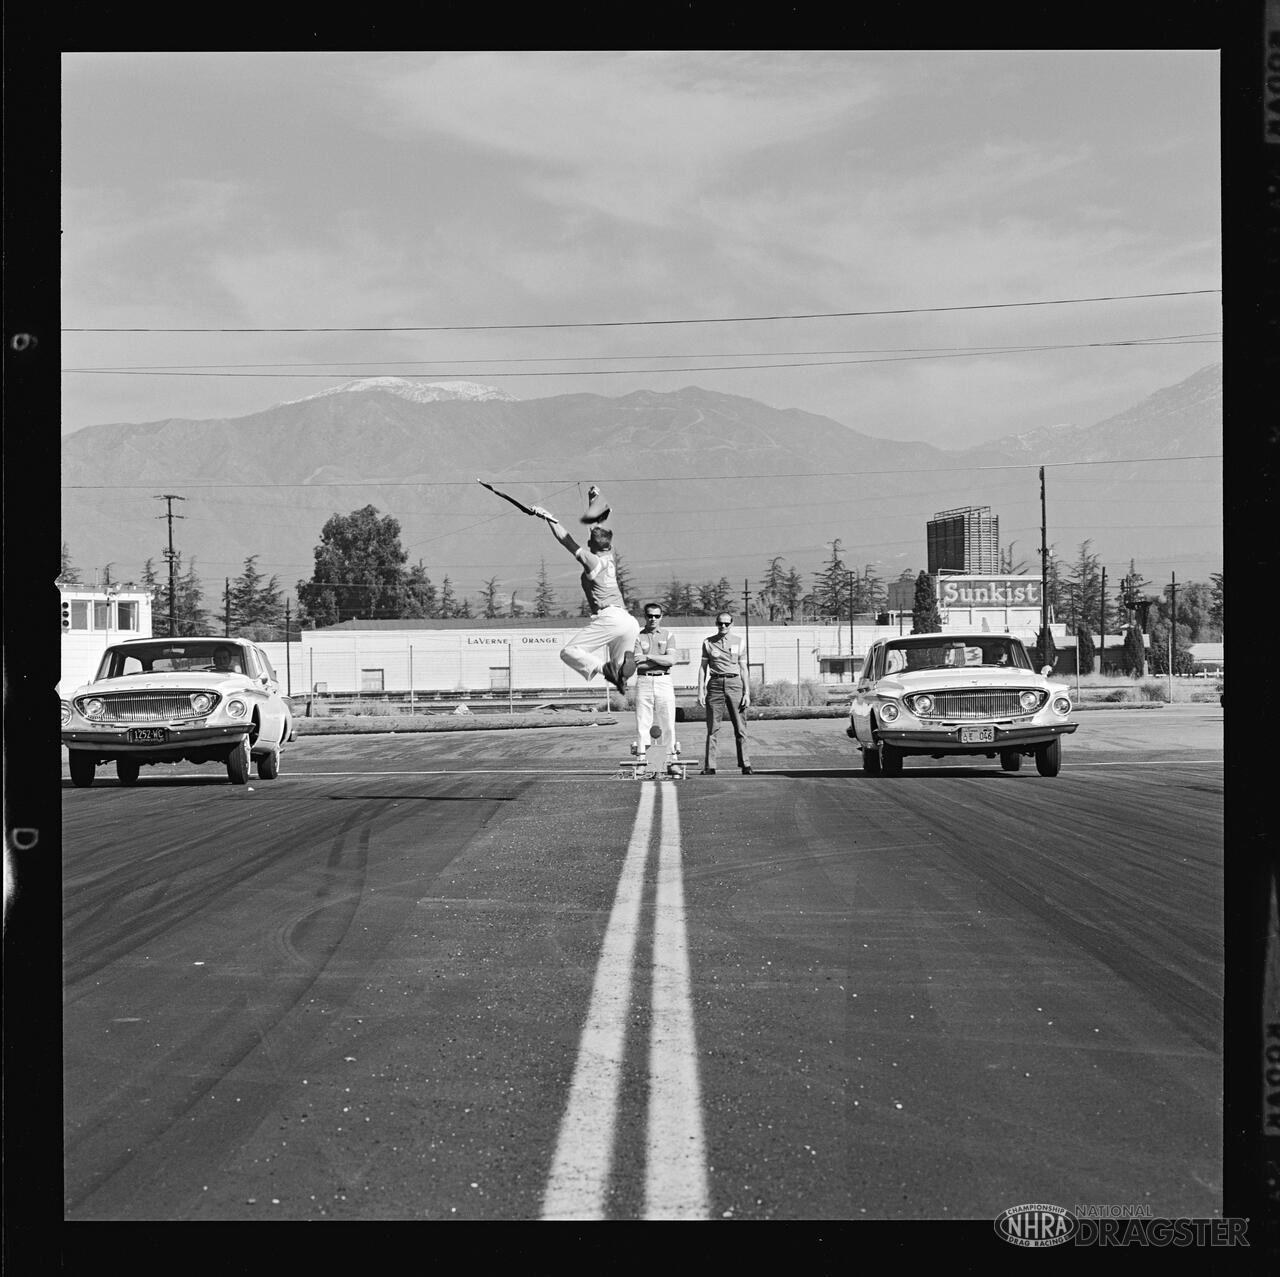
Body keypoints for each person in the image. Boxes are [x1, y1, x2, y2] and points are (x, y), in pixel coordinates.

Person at [528, 503, 639, 693]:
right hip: (629, 622)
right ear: (610, 544)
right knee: (618, 666)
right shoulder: (609, 558)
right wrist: (593, 501)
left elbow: (566, 540)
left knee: (569, 652)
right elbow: (598, 529)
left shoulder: (592, 561)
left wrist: (548, 517)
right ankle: (622, 672)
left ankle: (604, 669)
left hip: (610, 618)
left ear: (589, 545)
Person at [697, 612, 752, 775]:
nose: (723, 626)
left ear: (732, 624)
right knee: (713, 727)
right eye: (720, 623)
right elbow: (702, 668)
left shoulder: (739, 642)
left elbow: (744, 668)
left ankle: (746, 764)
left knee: (740, 727)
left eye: (727, 624)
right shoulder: (708, 642)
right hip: (715, 684)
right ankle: (710, 766)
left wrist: (747, 692)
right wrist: (700, 690)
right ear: (716, 623)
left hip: (735, 684)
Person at [632, 602, 678, 765]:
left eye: (656, 616)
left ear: (661, 617)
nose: (653, 619)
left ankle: (671, 760)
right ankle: (644, 761)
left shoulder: (668, 635)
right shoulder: (638, 636)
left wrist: (649, 657)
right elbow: (638, 663)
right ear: (645, 616)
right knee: (643, 723)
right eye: (650, 615)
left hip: (663, 680)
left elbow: (671, 660)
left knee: (668, 722)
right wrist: (660, 659)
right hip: (644, 681)